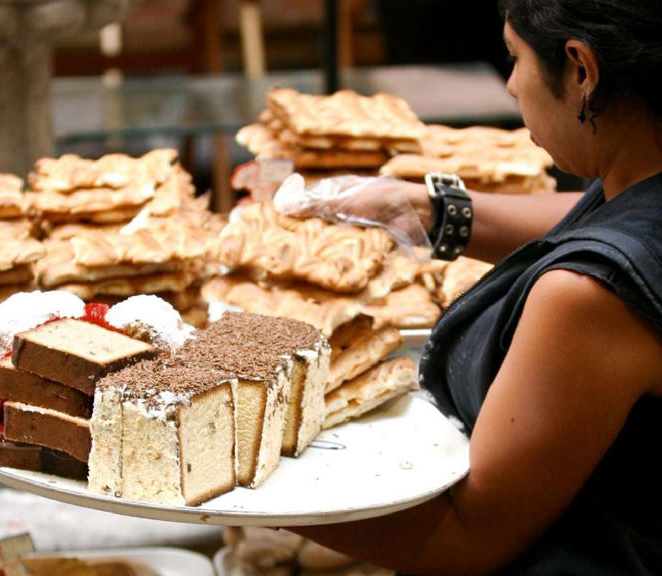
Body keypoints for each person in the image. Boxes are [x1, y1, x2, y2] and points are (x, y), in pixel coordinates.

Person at [274, 1, 662, 574]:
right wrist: (427, 209)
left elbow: (465, 537)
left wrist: (238, 484)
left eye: (515, 58)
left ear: (581, 69)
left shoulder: (589, 297)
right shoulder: (640, 179)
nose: (509, 86)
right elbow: (591, 216)